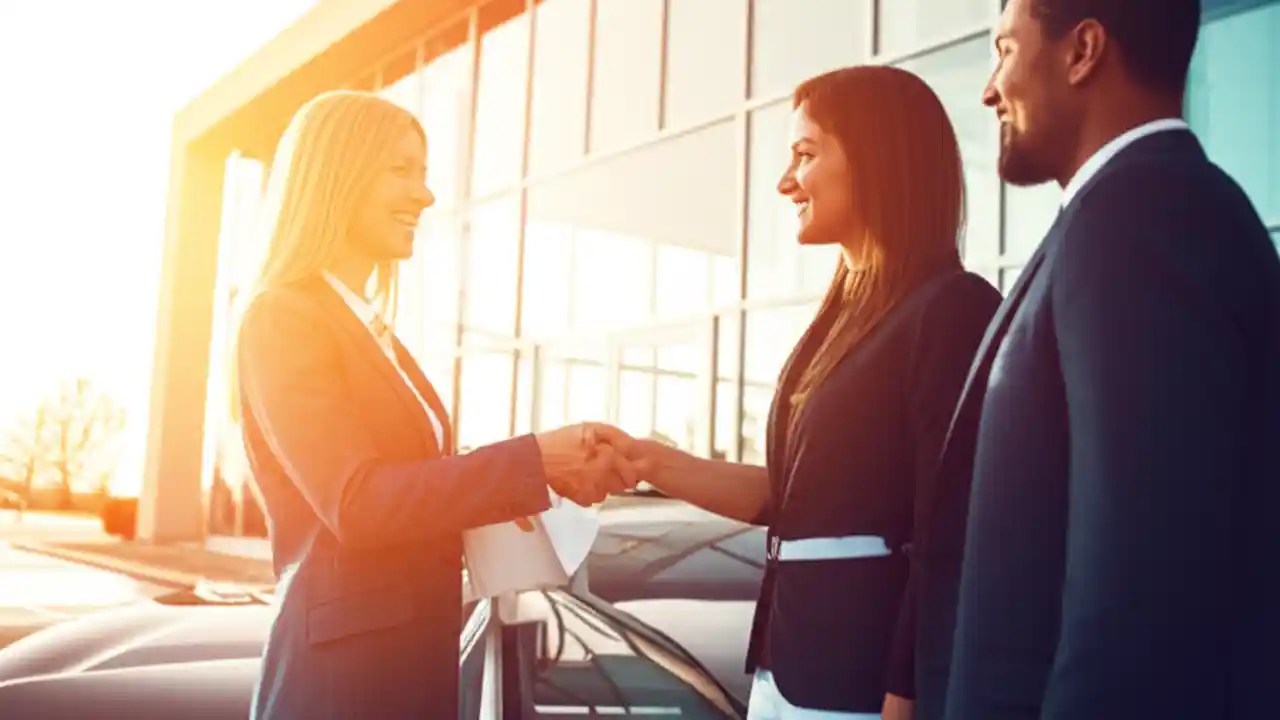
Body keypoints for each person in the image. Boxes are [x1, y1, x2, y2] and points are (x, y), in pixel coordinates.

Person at [916, 1, 1280, 718]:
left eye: (1004, 50)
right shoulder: (1126, 214)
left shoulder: (1143, 216)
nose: (989, 88)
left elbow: (1141, 598)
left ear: (1082, 50)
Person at [234, 91, 640, 719]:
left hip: (406, 665)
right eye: (401, 171)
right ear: (336, 174)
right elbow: (358, 502)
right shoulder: (283, 316)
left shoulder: (369, 329)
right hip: (344, 685)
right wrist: (531, 460)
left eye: (423, 175)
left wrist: (541, 473)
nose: (424, 196)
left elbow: (410, 483)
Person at [617, 66, 1002, 719]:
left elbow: (950, 530)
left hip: (863, 688)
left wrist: (905, 695)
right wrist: (648, 461)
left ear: (879, 159)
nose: (785, 182)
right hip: (787, 670)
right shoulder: (840, 323)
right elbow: (791, 502)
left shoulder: (954, 310)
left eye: (805, 154)